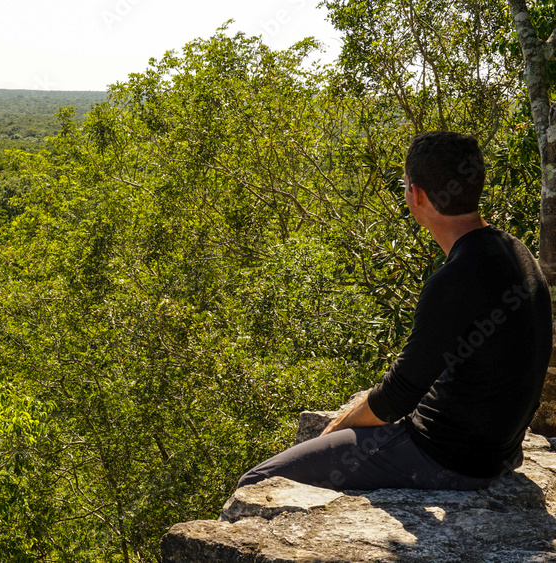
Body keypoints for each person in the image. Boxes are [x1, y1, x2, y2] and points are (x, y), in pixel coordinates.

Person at [237, 131, 553, 491]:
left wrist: (339, 426)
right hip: (499, 455)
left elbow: (398, 395)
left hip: (444, 459)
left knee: (260, 482)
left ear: (416, 195)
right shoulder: (518, 253)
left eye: (405, 186)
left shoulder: (455, 279)